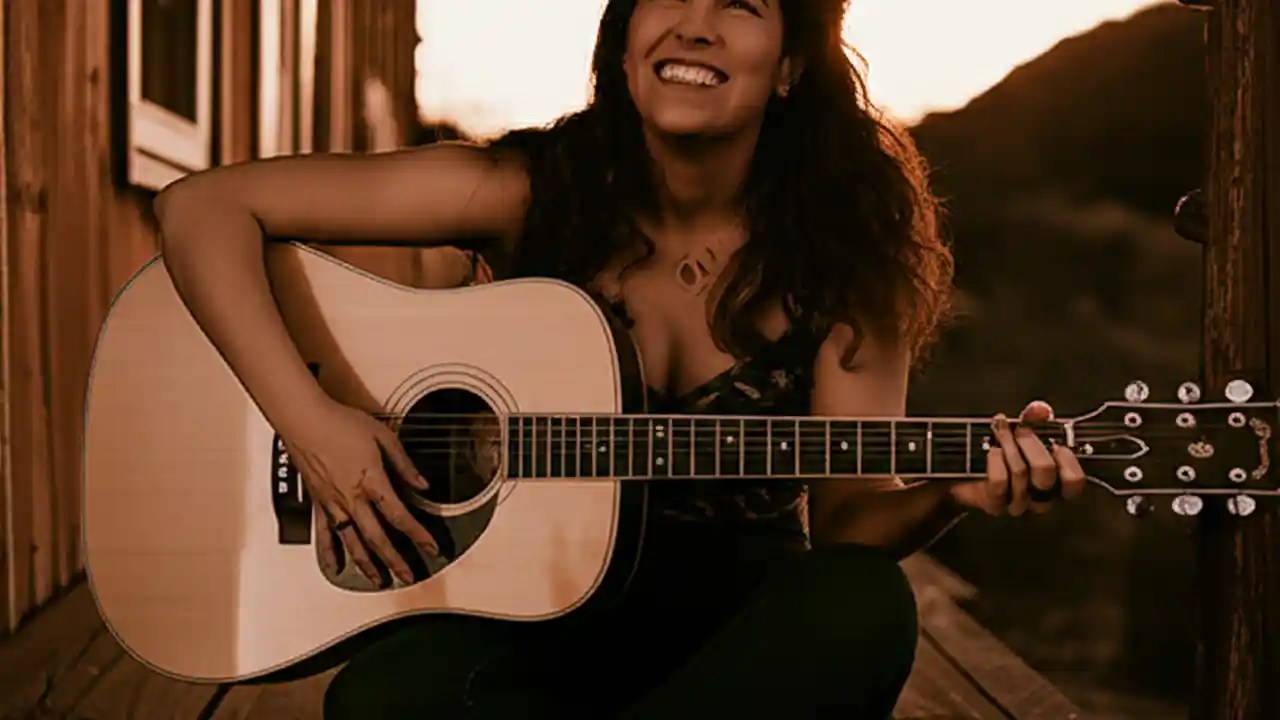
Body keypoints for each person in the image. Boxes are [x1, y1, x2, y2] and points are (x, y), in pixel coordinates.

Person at [154, 0, 1087, 716]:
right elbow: (202, 209)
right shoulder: (525, 190)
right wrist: (312, 424)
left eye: (741, 5)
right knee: (383, 698)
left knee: (863, 603)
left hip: (730, 637)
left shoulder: (842, 258)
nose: (695, 23)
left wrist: (954, 492)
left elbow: (847, 527)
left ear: (792, 66)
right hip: (525, 611)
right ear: (626, 39)